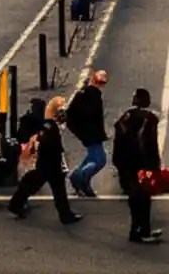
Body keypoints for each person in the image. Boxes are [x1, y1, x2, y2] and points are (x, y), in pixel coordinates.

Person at [8, 96, 83, 226]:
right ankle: (65, 215)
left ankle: (16, 204)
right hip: (50, 163)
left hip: (47, 162)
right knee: (53, 189)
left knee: (35, 183)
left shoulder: (49, 124)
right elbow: (45, 140)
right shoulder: (49, 125)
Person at [113, 88, 161, 244]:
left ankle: (140, 230)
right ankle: (139, 231)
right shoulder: (150, 120)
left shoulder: (123, 118)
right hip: (142, 164)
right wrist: (155, 166)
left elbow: (117, 143)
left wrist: (118, 164)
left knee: (134, 199)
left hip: (126, 164)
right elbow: (151, 146)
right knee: (143, 199)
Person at [67, 70, 109, 197]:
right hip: (92, 134)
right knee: (99, 160)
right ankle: (79, 178)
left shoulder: (82, 94)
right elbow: (93, 116)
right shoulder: (94, 95)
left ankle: (80, 179)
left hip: (85, 133)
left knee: (92, 158)